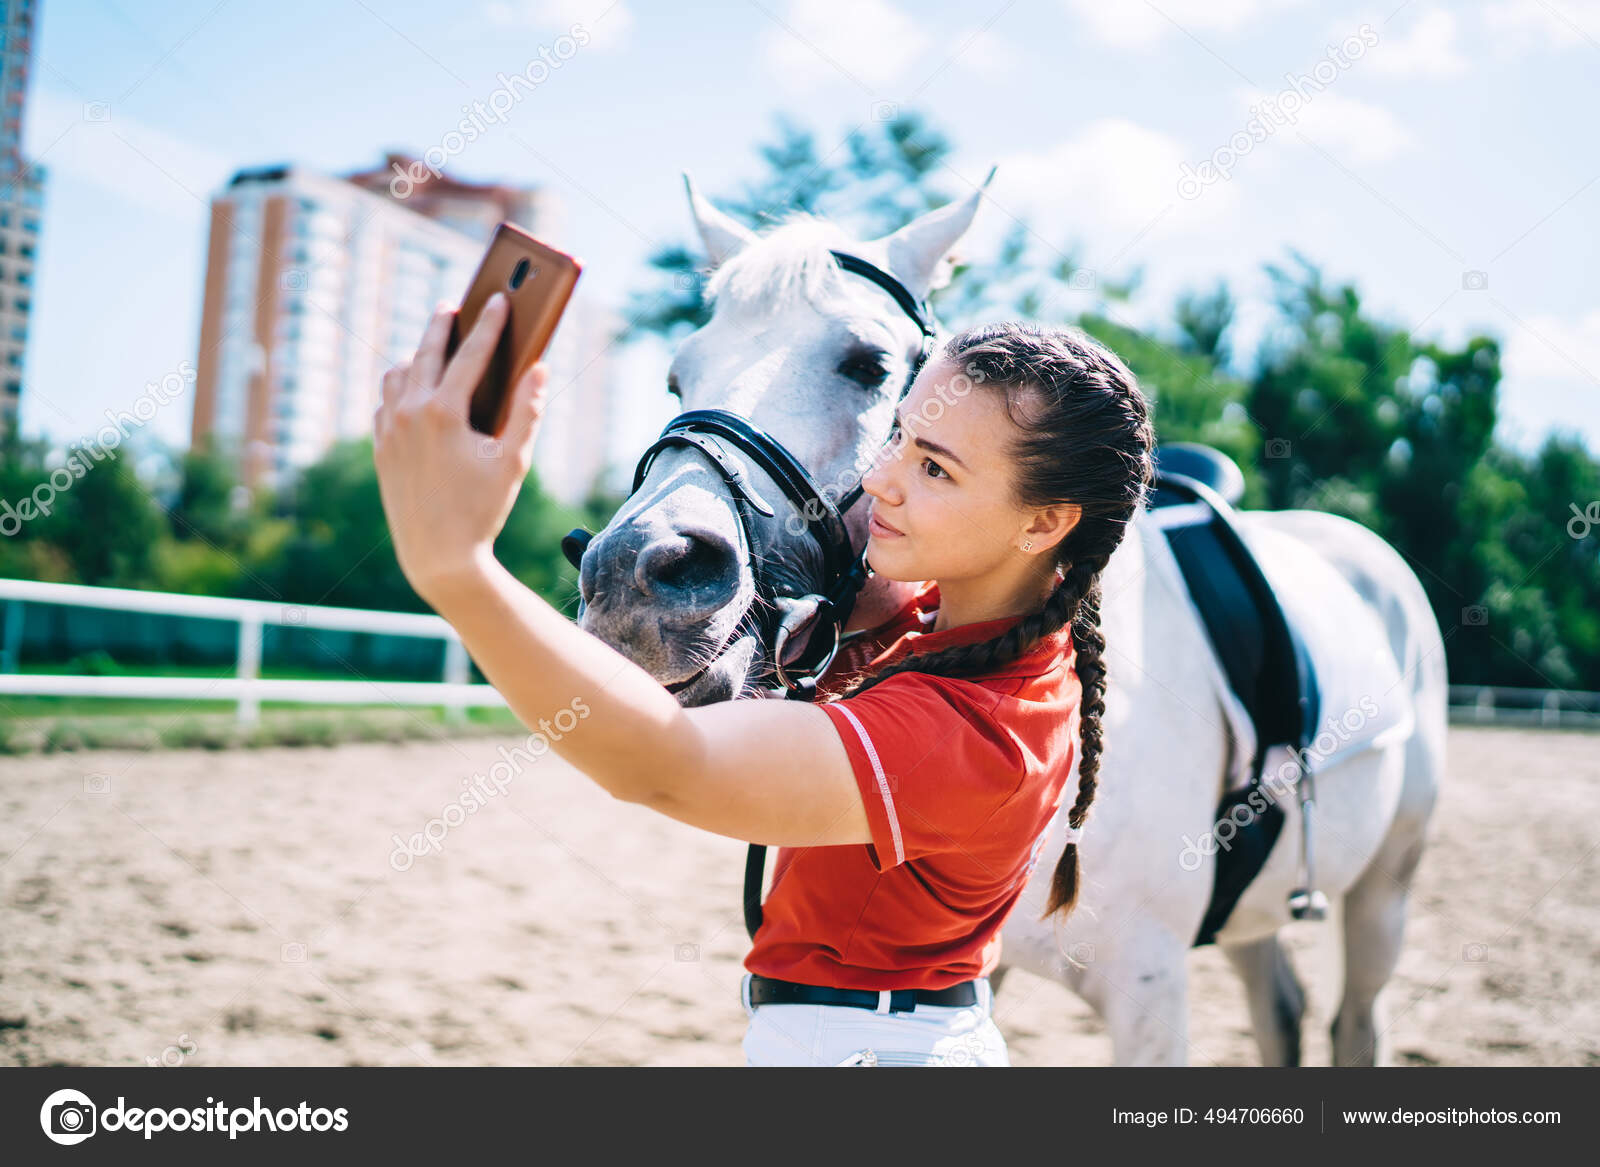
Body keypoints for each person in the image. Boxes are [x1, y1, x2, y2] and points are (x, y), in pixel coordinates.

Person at [372, 295, 1154, 1067]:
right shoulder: (974, 637)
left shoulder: (977, 730)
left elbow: (664, 766)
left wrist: (459, 569)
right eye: (900, 436)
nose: (882, 480)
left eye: (934, 468)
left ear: (1045, 522)